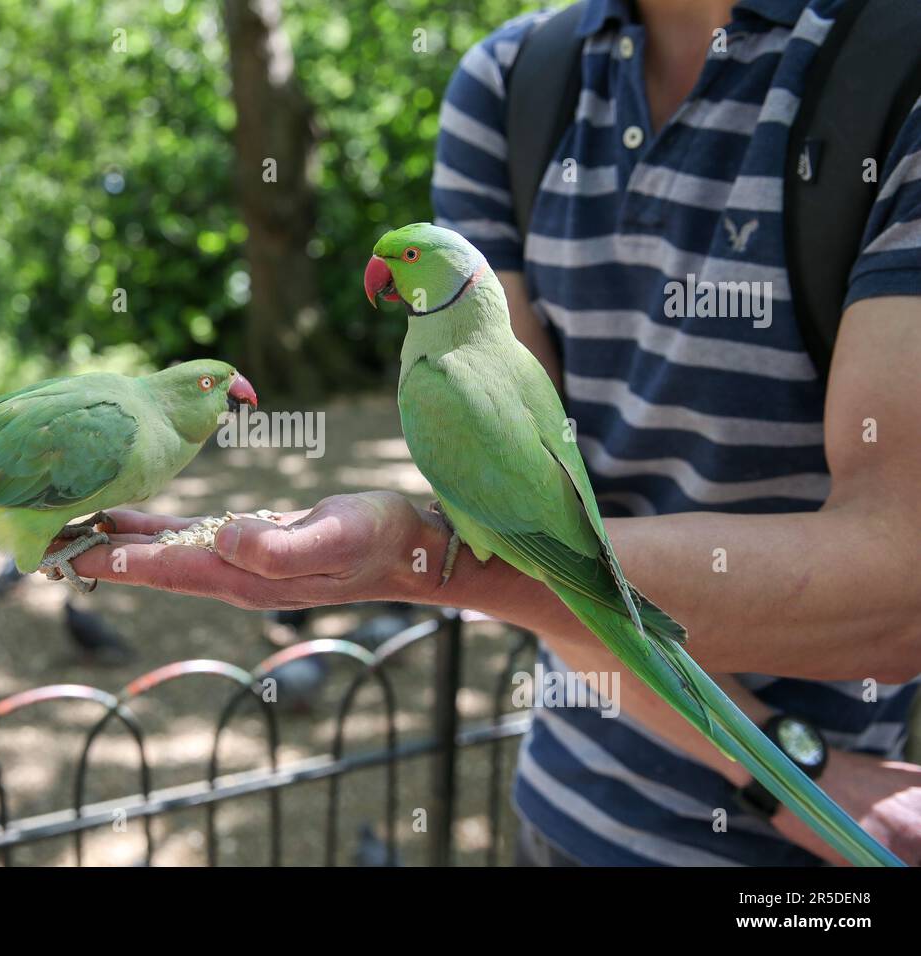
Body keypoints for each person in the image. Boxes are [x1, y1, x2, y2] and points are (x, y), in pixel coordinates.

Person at [70, 0, 921, 866]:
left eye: (404, 258)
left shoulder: (894, 62)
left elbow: (902, 588)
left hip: (821, 841)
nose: (387, 272)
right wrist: (424, 554)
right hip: (562, 796)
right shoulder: (513, 82)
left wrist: (429, 561)